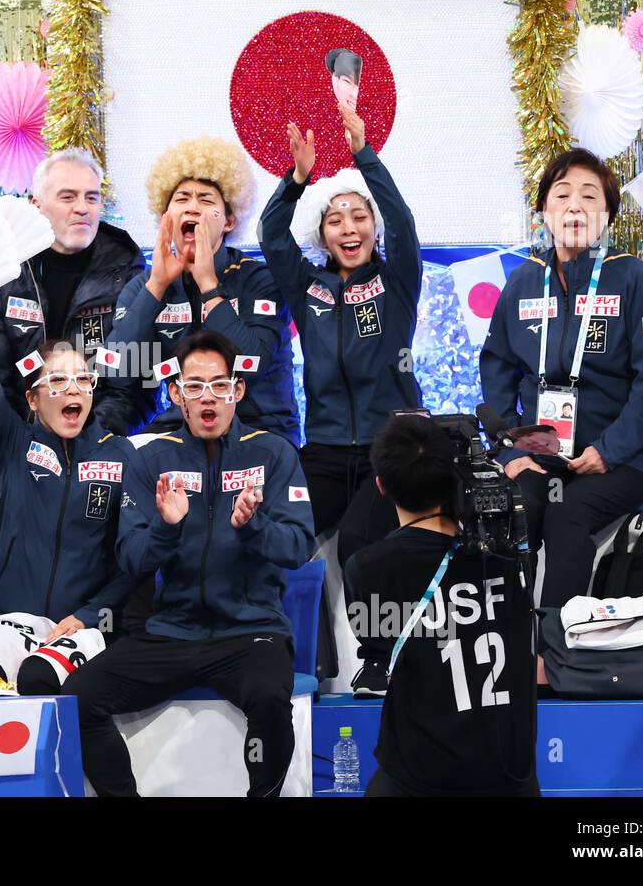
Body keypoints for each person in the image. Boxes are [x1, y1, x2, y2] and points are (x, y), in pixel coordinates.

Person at [64, 330, 314, 797]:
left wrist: (254, 525)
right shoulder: (151, 458)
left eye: (219, 386)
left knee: (269, 696)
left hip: (251, 631)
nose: (208, 398)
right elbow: (131, 558)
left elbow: (299, 547)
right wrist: (166, 527)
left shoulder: (274, 453)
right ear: (175, 393)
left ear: (237, 391)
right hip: (172, 632)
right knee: (78, 697)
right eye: (194, 386)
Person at [259, 106, 420, 694]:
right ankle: (283, 651)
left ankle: (378, 658)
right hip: (323, 450)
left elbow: (402, 219)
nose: (349, 228)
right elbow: (270, 237)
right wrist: (296, 178)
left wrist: (364, 155)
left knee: (357, 540)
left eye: (359, 217)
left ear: (373, 229)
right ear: (322, 235)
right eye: (336, 220)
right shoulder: (310, 289)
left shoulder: (399, 278)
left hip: (390, 450)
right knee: (277, 529)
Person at [0, 148, 143, 636]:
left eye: (92, 197)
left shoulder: (126, 266)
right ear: (38, 205)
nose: (83, 208)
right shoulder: (5, 264)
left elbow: (134, 375)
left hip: (97, 433)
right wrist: (27, 438)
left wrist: (93, 436)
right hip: (21, 432)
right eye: (68, 196)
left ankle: (92, 625)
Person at [480, 148, 643, 610]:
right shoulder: (524, 281)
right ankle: (510, 642)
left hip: (625, 458)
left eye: (590, 197)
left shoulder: (633, 278)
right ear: (544, 210)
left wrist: (610, 450)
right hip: (542, 453)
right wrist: (511, 447)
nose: (574, 206)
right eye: (562, 194)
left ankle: (553, 649)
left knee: (568, 514)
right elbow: (496, 365)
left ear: (607, 214)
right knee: (514, 510)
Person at [0, 264, 137, 695]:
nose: (72, 389)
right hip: (13, 619)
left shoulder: (120, 455)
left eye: (82, 380)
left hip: (80, 624)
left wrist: (93, 614)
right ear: (32, 399)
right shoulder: (11, 442)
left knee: (38, 679)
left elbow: (136, 563)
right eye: (56, 380)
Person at [348, 415, 537, 797]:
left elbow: (378, 649)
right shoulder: (506, 551)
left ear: (382, 485)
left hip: (422, 775)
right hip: (510, 772)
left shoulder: (369, 567)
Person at [107, 136, 298, 443]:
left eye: (206, 200)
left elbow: (252, 364)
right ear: (165, 216)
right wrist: (156, 287)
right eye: (181, 199)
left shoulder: (258, 278)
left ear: (229, 221)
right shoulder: (146, 285)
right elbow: (117, 370)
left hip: (261, 429)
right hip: (181, 432)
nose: (192, 208)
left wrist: (210, 287)